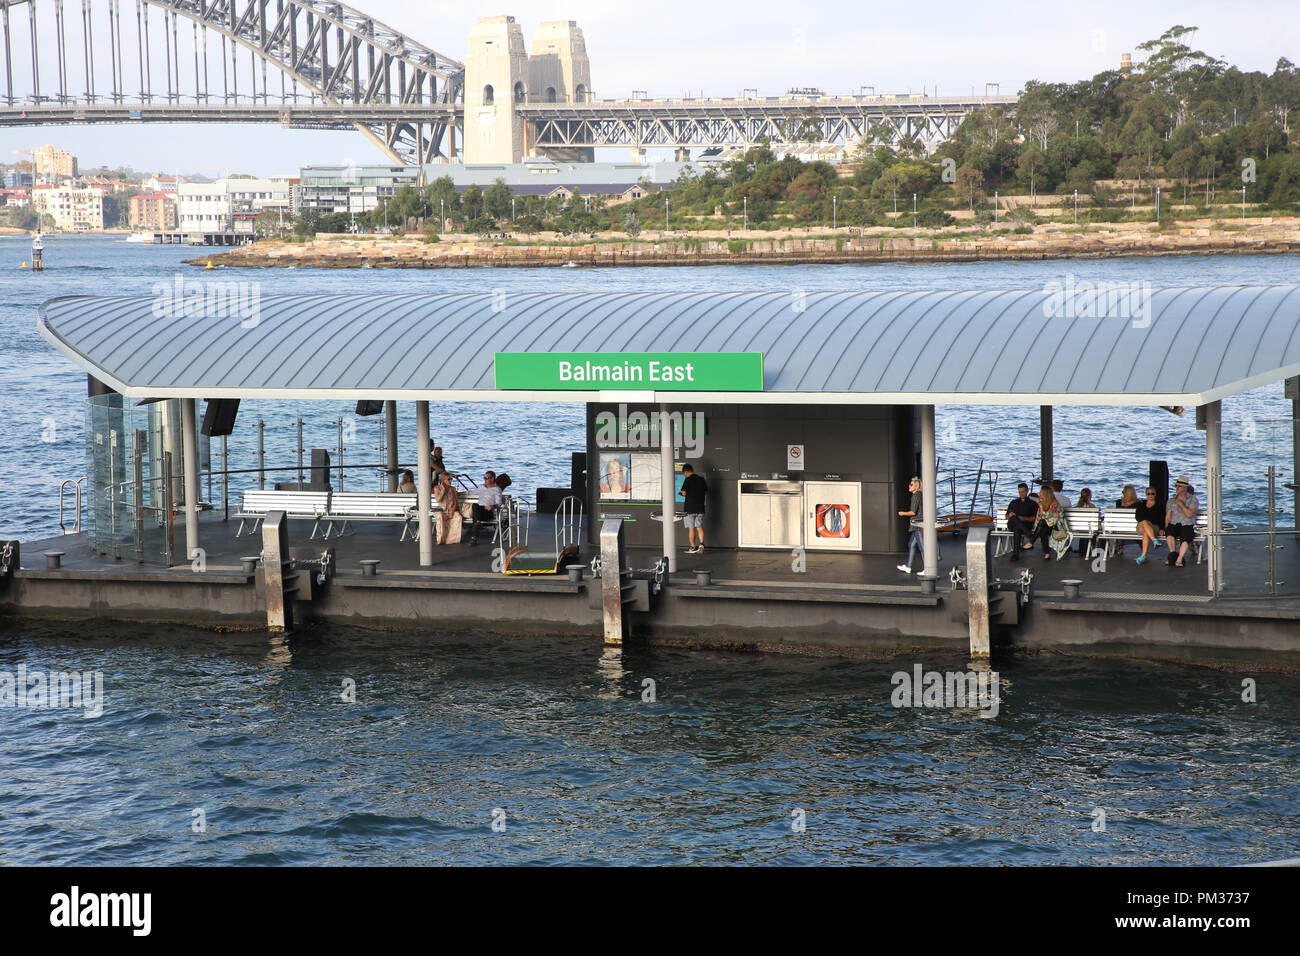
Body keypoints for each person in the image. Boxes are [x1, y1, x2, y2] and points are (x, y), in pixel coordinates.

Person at [1163, 476, 1200, 567]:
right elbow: (1168, 516)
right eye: (1176, 486)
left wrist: (1180, 504)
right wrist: (1166, 527)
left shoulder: (1193, 500)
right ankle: (1173, 556)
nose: (1177, 488)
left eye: (1179, 486)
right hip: (1174, 523)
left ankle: (1180, 558)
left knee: (1186, 536)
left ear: (1185, 488)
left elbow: (1189, 514)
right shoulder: (1171, 500)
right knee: (1169, 532)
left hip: (1187, 524)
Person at [1031, 486, 1070, 559]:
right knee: (1043, 529)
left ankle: (1032, 541)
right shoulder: (1043, 503)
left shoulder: (1054, 504)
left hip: (1057, 527)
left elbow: (1048, 517)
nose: (1039, 493)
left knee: (1043, 525)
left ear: (1045, 494)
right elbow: (1039, 517)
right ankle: (1046, 553)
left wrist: (1040, 506)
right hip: (1047, 526)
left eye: (1041, 492)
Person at [897, 476, 925, 573]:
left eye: (911, 484)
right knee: (911, 544)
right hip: (917, 524)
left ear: (916, 487)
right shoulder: (920, 494)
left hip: (918, 525)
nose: (909, 486)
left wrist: (902, 513)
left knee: (922, 547)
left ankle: (929, 569)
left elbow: (913, 512)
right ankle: (908, 566)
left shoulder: (916, 495)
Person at [679, 464, 708, 554]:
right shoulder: (701, 479)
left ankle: (693, 547)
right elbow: (705, 491)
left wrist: (682, 493)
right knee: (699, 527)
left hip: (690, 508)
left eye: (684, 473)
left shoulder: (688, 480)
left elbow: (684, 493)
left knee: (691, 528)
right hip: (700, 507)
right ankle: (701, 544)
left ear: (686, 472)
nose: (685, 475)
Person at [468, 471, 503, 546]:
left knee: (476, 514)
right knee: (475, 505)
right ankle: (477, 526)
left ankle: (476, 528)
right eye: (484, 478)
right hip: (479, 511)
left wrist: (492, 506)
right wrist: (459, 493)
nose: (485, 479)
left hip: (488, 512)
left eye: (487, 478)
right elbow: (471, 492)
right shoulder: (481, 487)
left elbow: (499, 503)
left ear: (492, 479)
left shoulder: (497, 489)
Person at [1005, 483, 1038, 560]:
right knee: (1013, 517)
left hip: (1026, 524)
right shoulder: (1014, 502)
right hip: (1012, 524)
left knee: (1017, 528)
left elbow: (1035, 518)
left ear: (1027, 491)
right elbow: (1006, 516)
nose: (1021, 494)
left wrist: (1023, 518)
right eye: (1019, 492)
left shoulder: (1032, 504)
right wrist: (1009, 516)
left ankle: (1015, 555)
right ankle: (1028, 534)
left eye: (1023, 492)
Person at [1134, 486, 1163, 564]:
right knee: (1144, 522)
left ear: (1155, 495)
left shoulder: (1159, 505)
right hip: (1141, 526)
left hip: (1154, 527)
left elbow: (1160, 518)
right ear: (1146, 494)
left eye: (1152, 494)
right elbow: (1137, 517)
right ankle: (1154, 540)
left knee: (1146, 532)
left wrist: (1161, 528)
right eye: (1149, 494)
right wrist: (1146, 521)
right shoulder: (1141, 504)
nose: (1150, 495)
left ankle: (1143, 556)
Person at [434, 471, 462, 545]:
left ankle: (453, 539)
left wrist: (453, 510)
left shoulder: (453, 489)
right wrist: (443, 489)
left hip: (450, 510)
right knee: (440, 516)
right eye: (448, 479)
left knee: (458, 516)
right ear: (443, 480)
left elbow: (455, 501)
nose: (450, 481)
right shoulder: (437, 488)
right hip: (441, 511)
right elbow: (438, 499)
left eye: (451, 479)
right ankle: (440, 539)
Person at [1112, 485, 1140, 556]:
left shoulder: (1119, 503)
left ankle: (1120, 547)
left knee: (1119, 525)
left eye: (1123, 492)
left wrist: (1122, 504)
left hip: (1121, 529)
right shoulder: (1139, 504)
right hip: (1135, 529)